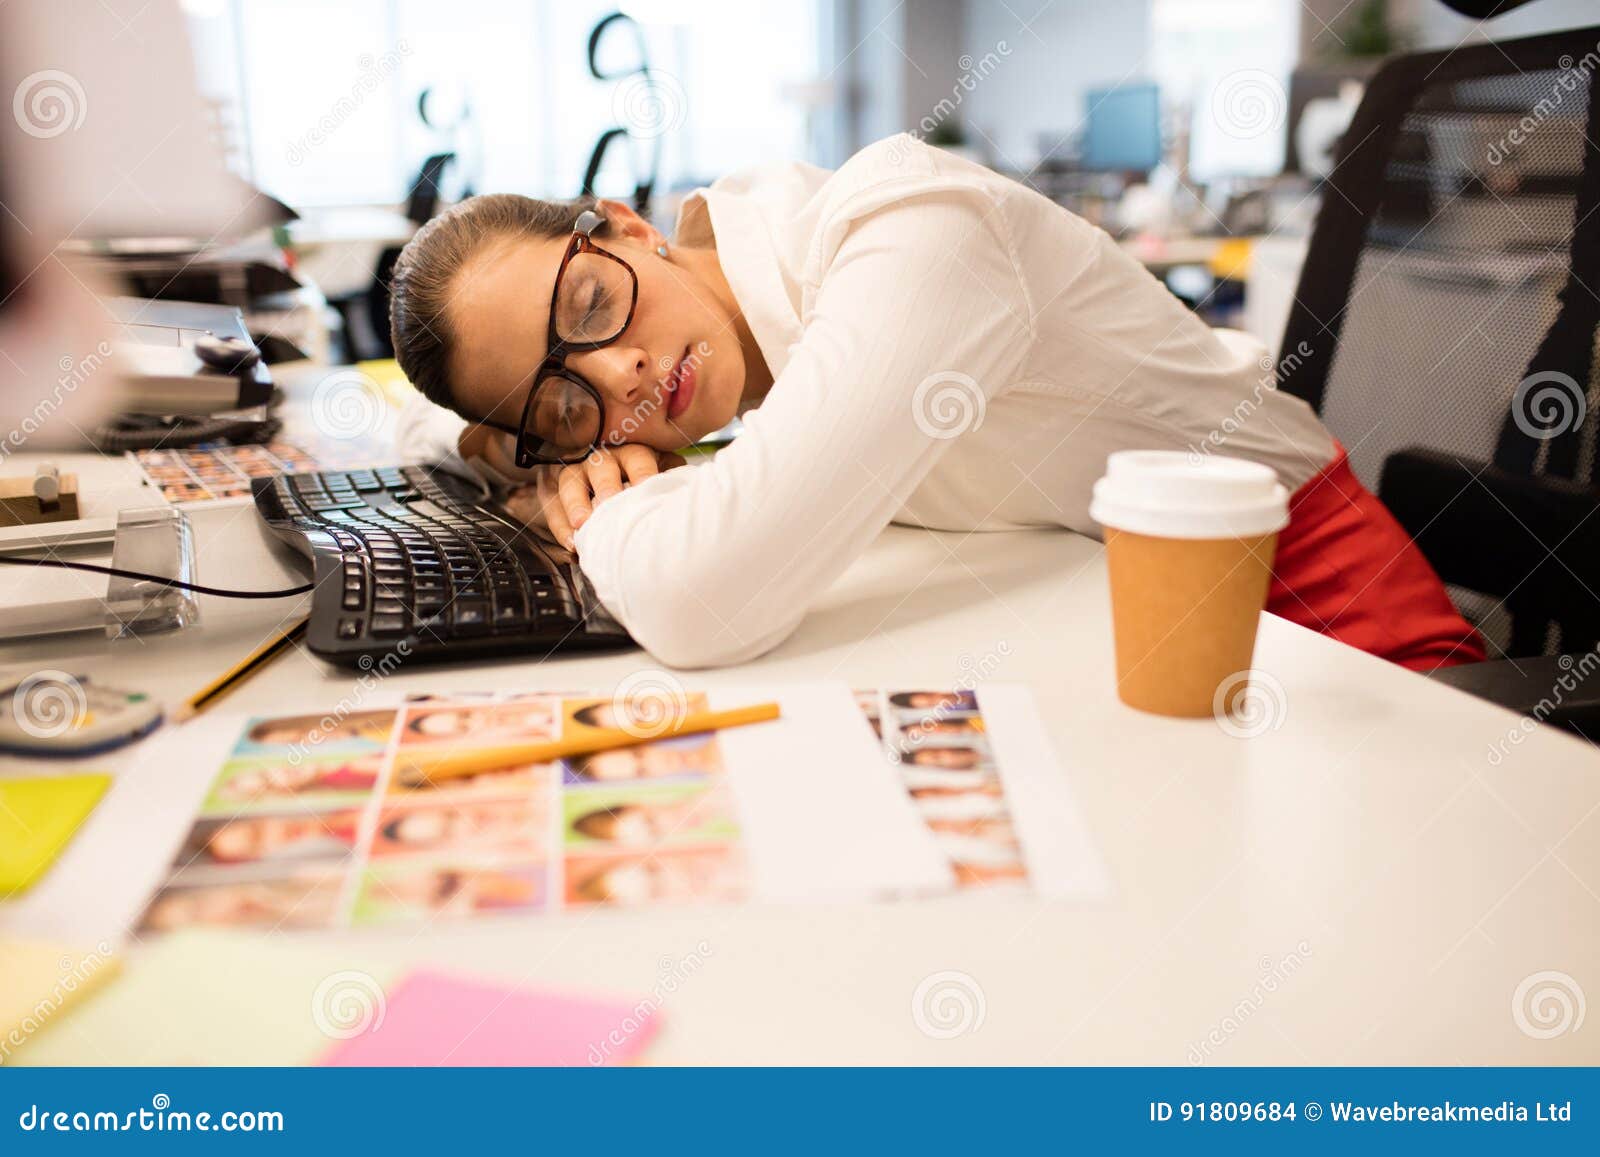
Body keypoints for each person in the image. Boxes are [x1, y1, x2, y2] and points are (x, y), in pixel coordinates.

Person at [389, 136, 1485, 671]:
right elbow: (440, 422)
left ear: (627, 226)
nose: (617, 375)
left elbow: (700, 595)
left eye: (591, 303)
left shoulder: (907, 229)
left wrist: (603, 507)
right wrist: (518, 448)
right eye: (565, 404)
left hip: (1317, 636)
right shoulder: (737, 337)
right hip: (1115, 623)